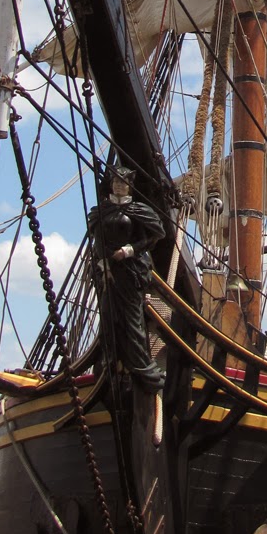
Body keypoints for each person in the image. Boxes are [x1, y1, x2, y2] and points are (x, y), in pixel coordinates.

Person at [88, 164, 166, 394]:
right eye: (115, 182)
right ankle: (109, 364)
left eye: (123, 182)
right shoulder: (100, 211)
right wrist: (103, 261)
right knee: (108, 317)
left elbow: (157, 233)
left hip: (131, 272)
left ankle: (143, 369)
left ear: (130, 186)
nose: (119, 185)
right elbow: (97, 238)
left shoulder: (139, 210)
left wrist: (130, 250)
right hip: (107, 271)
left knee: (133, 320)